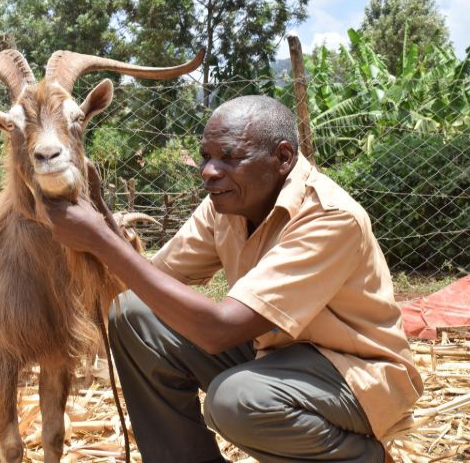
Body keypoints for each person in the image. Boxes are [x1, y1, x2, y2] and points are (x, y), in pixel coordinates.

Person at [46, 95, 423, 463]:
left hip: (355, 375)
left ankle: (366, 457)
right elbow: (147, 284)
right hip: (274, 352)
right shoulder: (228, 204)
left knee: (236, 400)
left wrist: (101, 240)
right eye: (207, 156)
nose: (209, 171)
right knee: (134, 314)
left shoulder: (329, 217)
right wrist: (100, 217)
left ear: (283, 158)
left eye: (229, 157)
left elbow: (220, 331)